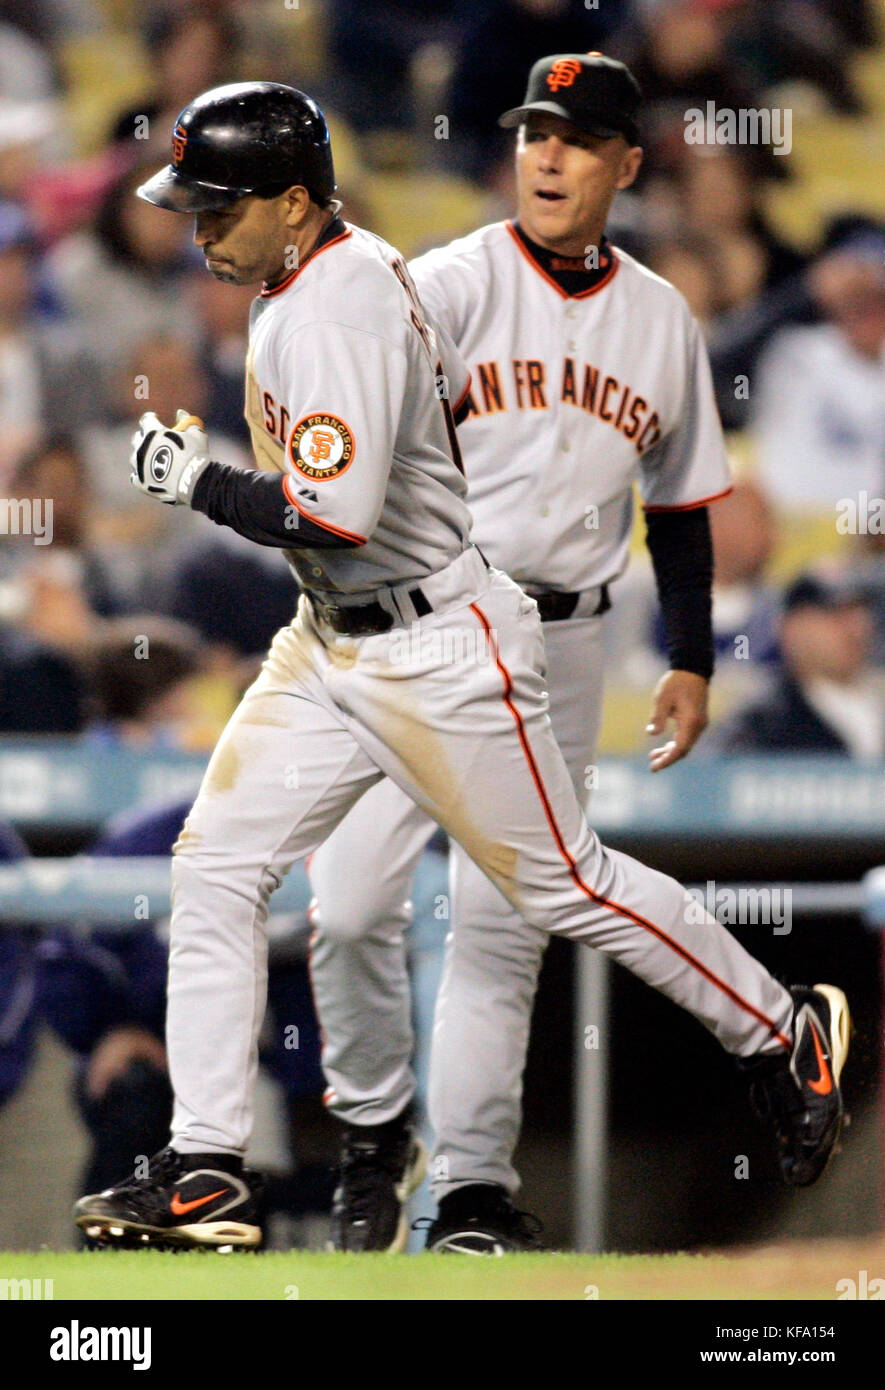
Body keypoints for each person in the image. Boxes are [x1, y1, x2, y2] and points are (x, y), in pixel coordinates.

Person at [73, 80, 850, 1253]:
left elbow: (329, 516)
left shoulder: (335, 307)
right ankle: (205, 1169)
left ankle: (778, 1025)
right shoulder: (325, 274)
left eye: (220, 206)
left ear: (294, 204)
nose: (199, 227)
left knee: (560, 885)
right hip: (331, 637)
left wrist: (196, 484)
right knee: (220, 865)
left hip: (438, 645)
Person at [307, 51, 758, 1254]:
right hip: (427, 623)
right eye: (531, 132)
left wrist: (692, 655)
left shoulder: (662, 316)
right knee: (349, 906)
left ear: (625, 162)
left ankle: (470, 1193)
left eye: (574, 137)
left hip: (566, 641)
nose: (546, 154)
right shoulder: (446, 283)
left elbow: (681, 505)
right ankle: (371, 1129)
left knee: (506, 930)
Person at [715, 571, 884, 758]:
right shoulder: (765, 726)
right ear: (791, 627)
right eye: (836, 615)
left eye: (861, 614)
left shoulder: (878, 702)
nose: (856, 629)